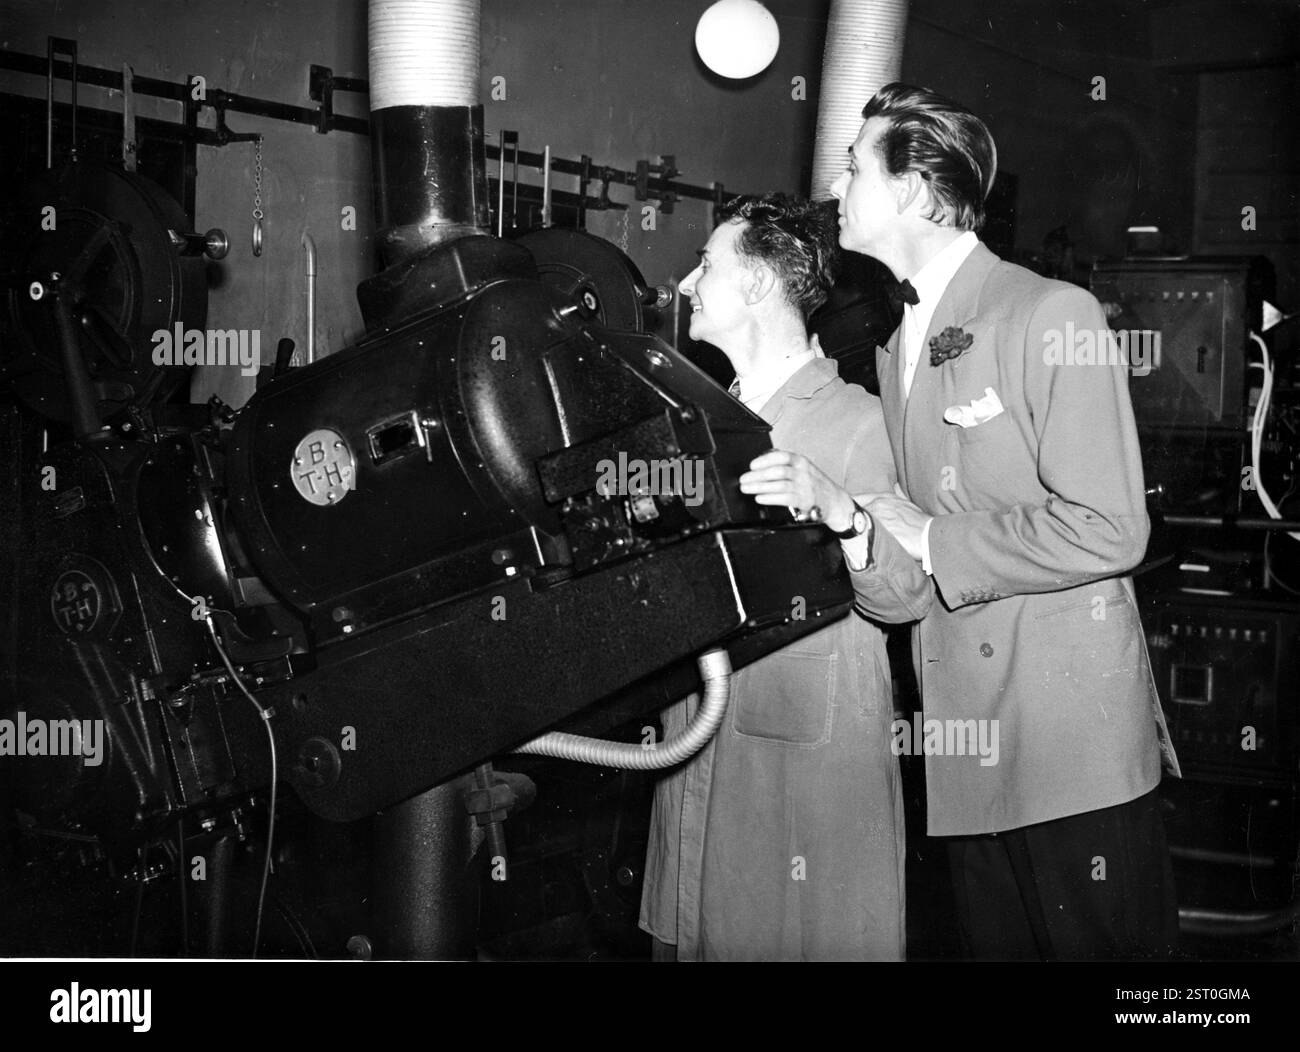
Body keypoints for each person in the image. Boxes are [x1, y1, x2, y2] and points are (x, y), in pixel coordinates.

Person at [828, 82, 1180, 961]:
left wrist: (933, 537)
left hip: (1069, 753)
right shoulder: (894, 345)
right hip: (966, 754)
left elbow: (1111, 528)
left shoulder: (1049, 314)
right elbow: (912, 580)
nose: (834, 188)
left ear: (912, 190)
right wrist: (855, 528)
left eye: (851, 167)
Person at [639, 192, 932, 961]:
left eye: (707, 263)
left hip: (799, 776)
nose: (688, 282)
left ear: (761, 286)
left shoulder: (857, 422)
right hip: (695, 748)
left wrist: (844, 511)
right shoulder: (693, 422)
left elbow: (907, 595)